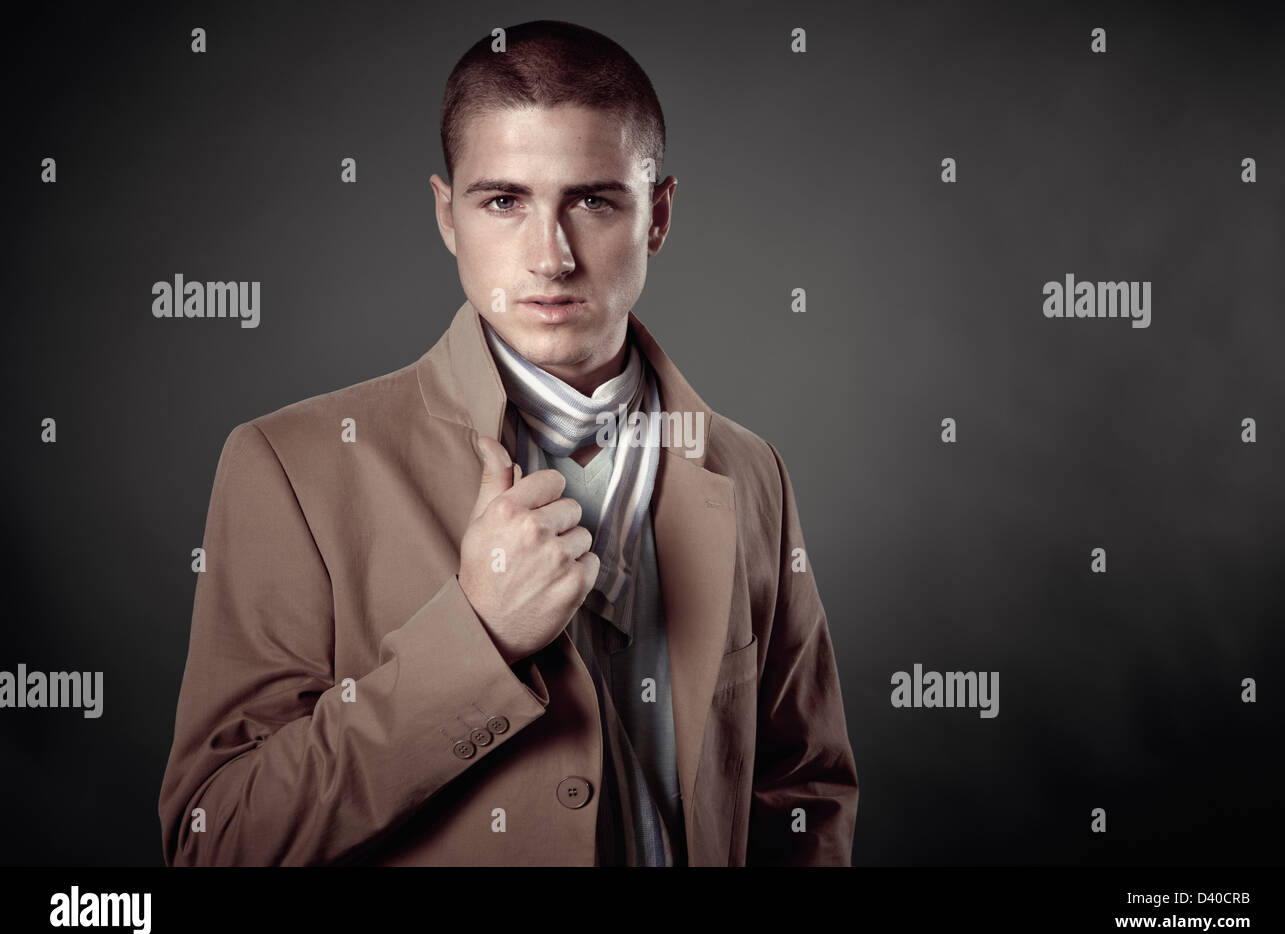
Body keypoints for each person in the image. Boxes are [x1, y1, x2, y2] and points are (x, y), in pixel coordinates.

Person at [158, 19, 857, 866]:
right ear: (449, 217)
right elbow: (214, 839)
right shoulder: (289, 467)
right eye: (504, 202)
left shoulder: (750, 472)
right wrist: (476, 639)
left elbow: (804, 789)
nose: (551, 257)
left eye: (593, 201)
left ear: (659, 216)